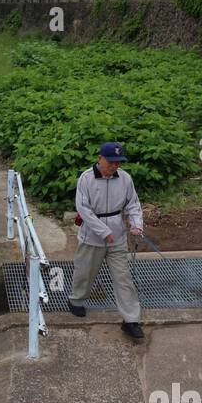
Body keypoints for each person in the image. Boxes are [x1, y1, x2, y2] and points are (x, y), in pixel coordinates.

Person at [67, 142, 145, 341]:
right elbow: (83, 209)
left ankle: (131, 320)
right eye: (111, 162)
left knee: (123, 278)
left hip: (117, 237)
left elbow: (133, 204)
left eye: (118, 162)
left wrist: (136, 225)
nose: (115, 166)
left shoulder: (125, 179)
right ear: (100, 158)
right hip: (92, 236)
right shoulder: (85, 179)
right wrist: (103, 231)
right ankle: (76, 300)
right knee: (85, 271)